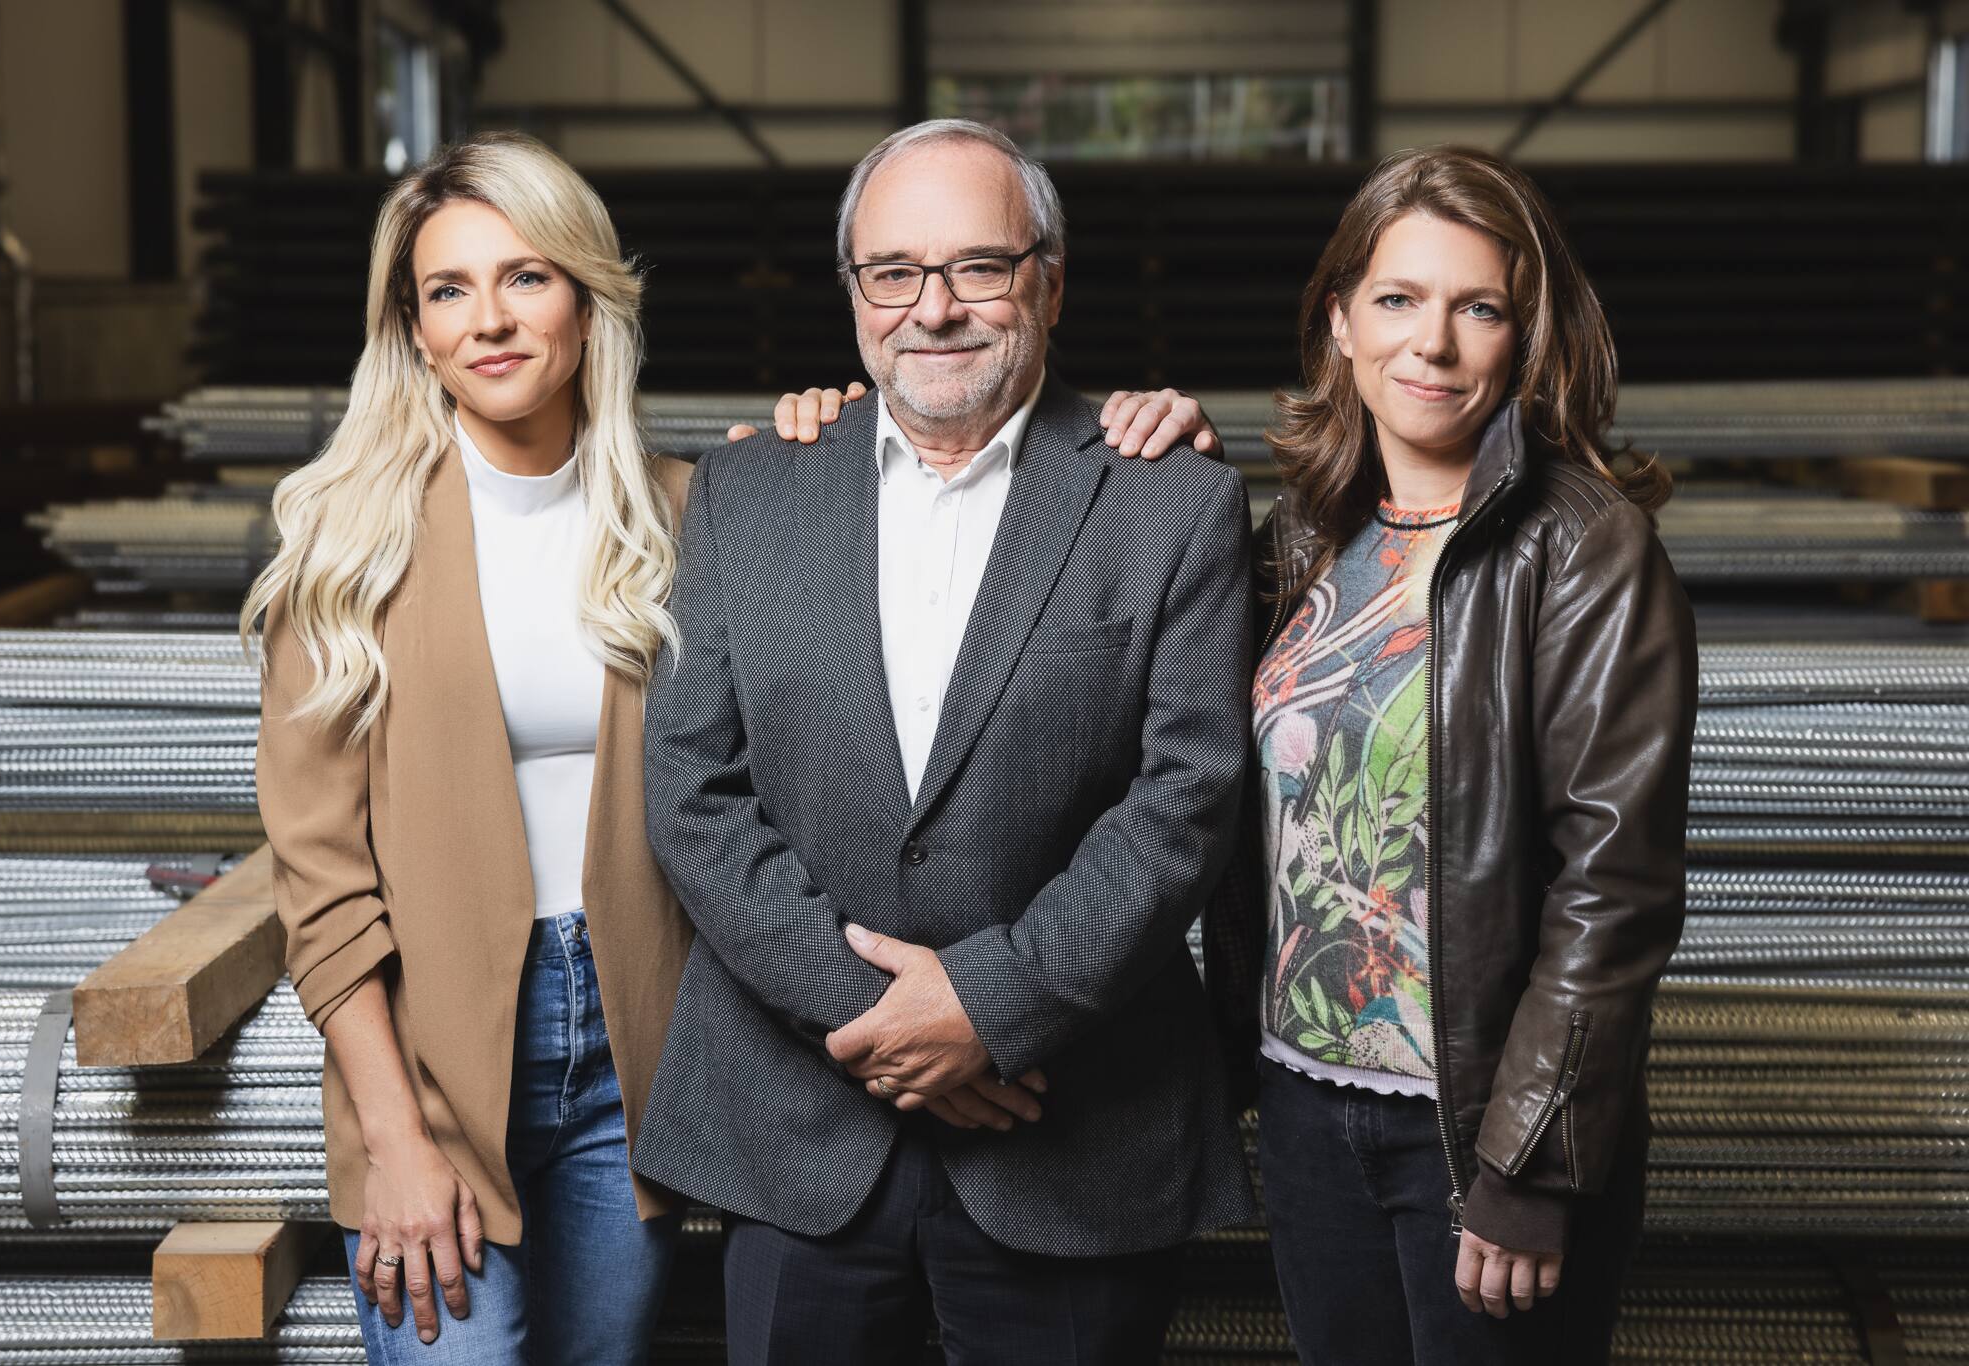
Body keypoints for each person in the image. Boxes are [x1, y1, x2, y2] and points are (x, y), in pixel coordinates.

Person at [770, 141, 1695, 1366]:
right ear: (1342, 322)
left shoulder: (1583, 549)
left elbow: (1612, 889)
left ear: (1526, 336)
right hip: (1309, 1103)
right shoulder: (1310, 533)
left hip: (1473, 1124)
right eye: (1397, 300)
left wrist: (1526, 1160)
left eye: (1479, 308)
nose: (1433, 342)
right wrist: (830, 435)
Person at [635, 118, 1256, 1366]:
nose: (936, 308)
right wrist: (882, 1016)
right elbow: (692, 790)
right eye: (894, 271)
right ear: (854, 291)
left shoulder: (1170, 501)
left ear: (1049, 279)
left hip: (1073, 1137)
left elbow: (1185, 800)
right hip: (799, 1132)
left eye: (979, 265)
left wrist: (991, 1005)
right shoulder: (747, 493)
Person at [246, 131, 692, 1364]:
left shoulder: (682, 516)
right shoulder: (348, 547)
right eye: (449, 289)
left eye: (525, 277)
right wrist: (392, 1134)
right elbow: (320, 880)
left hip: (634, 1055)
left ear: (586, 300)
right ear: (416, 327)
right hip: (428, 1058)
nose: (489, 320)